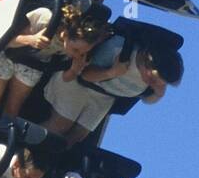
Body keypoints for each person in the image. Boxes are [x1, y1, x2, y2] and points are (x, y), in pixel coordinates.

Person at [0, 4, 111, 123]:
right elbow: (3, 40)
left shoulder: (73, 54)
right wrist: (30, 40)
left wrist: (74, 70)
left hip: (32, 67)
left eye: (81, 52)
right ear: (67, 34)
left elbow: (65, 77)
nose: (76, 54)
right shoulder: (46, 19)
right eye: (75, 49)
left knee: (12, 112)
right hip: (10, 56)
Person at [42, 39, 182, 145]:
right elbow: (85, 74)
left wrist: (158, 94)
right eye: (152, 79)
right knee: (60, 126)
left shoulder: (157, 83)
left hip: (103, 98)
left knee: (76, 138)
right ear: (146, 61)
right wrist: (112, 72)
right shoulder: (119, 50)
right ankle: (29, 151)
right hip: (78, 82)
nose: (151, 83)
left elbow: (146, 99)